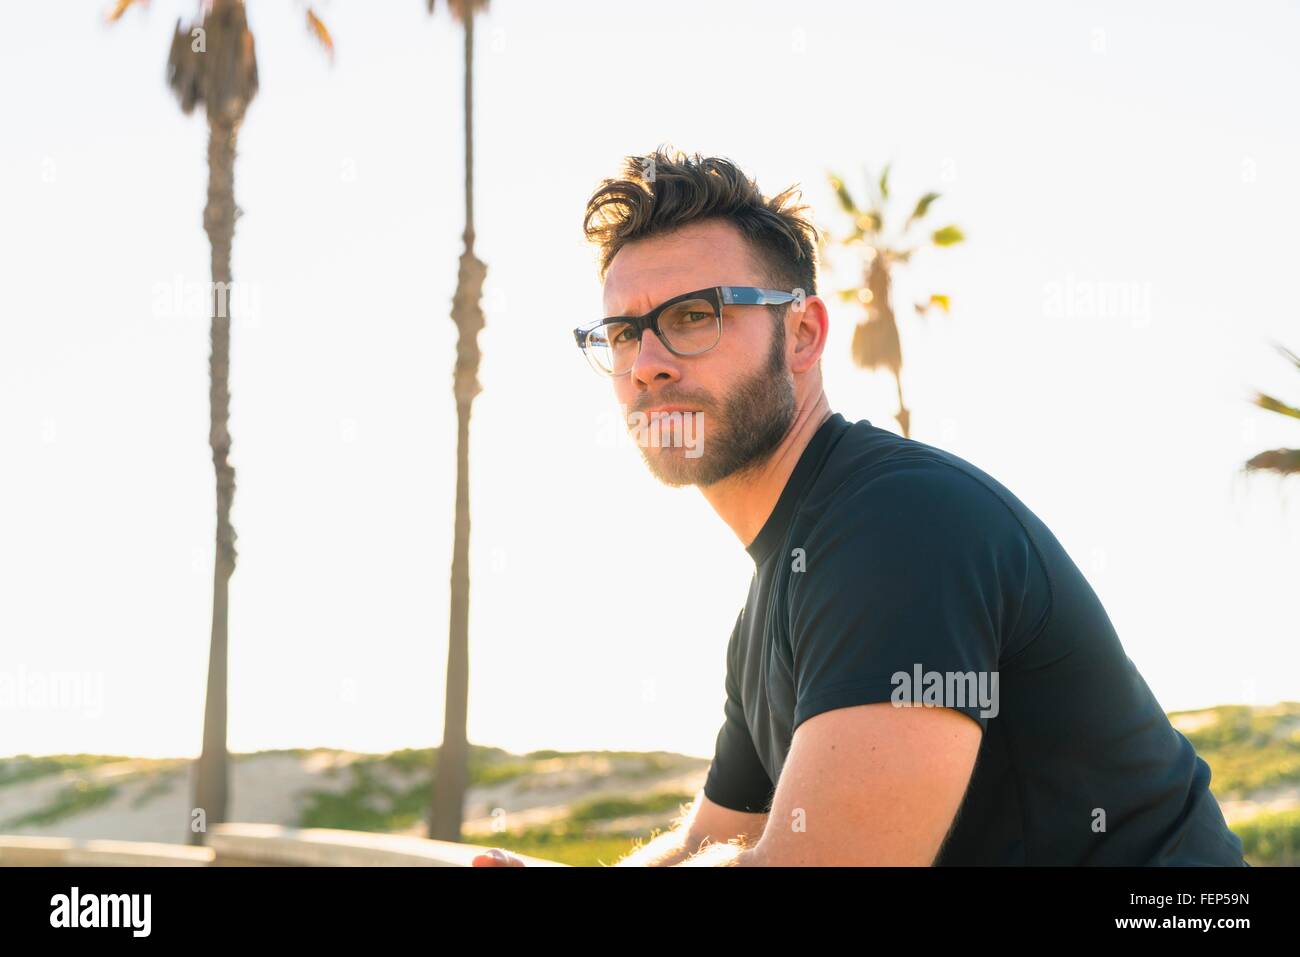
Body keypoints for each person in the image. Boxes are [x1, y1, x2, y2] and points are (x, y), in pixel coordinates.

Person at [474, 146, 1247, 867]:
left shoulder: (898, 525)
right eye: (622, 333)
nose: (646, 365)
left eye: (693, 316)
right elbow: (713, 838)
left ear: (803, 333)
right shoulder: (775, 596)